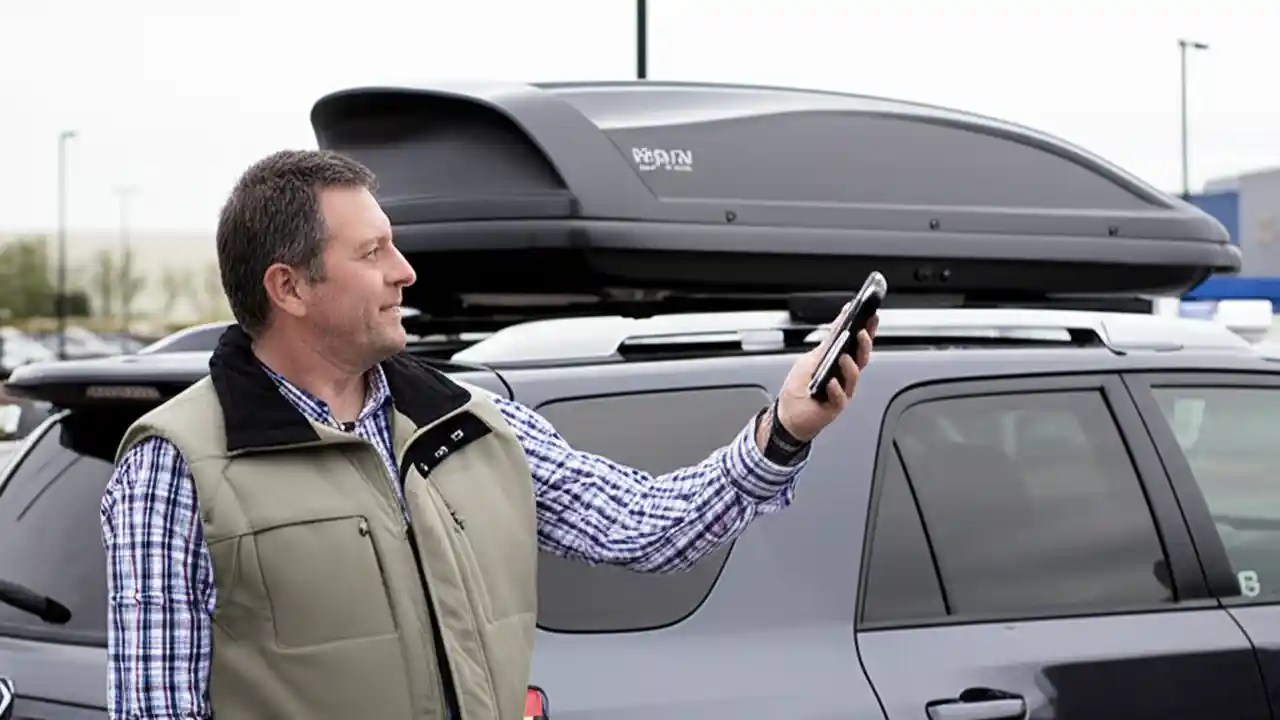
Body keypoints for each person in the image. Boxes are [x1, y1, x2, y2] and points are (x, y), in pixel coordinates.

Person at [100, 149, 877, 720]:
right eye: (373, 253)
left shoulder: (470, 424)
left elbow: (644, 528)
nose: (405, 272)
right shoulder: (175, 467)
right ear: (289, 286)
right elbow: (155, 711)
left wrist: (783, 430)